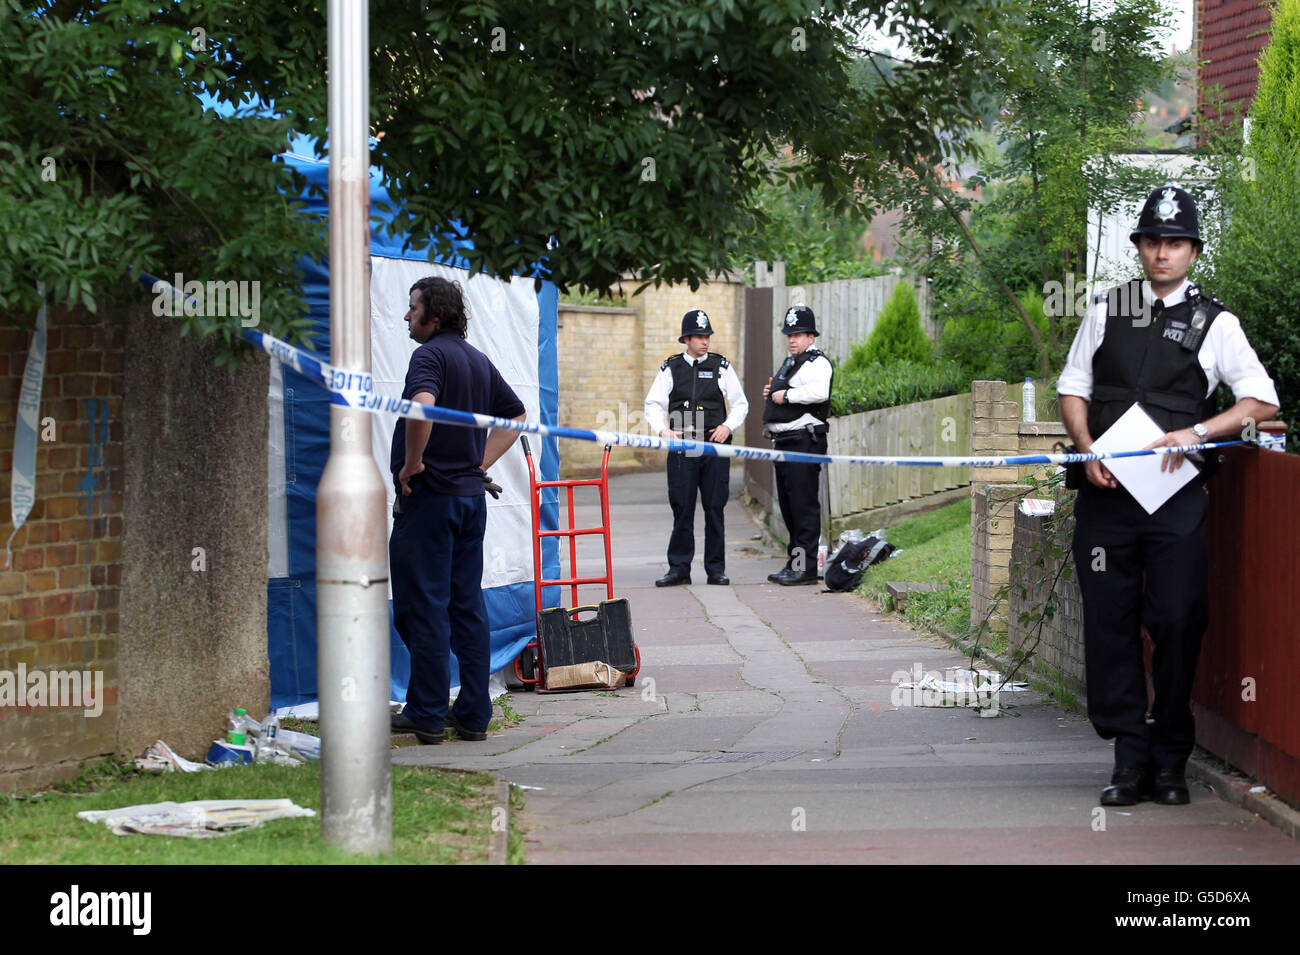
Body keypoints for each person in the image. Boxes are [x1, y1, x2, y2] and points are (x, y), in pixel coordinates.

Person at [1057, 185, 1278, 806]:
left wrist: (1197, 431)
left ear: (1193, 251)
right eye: (1152, 241)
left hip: (1177, 500)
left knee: (1179, 617)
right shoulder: (1106, 308)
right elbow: (1073, 386)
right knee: (1109, 622)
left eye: (1175, 243)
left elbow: (1261, 402)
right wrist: (1087, 444)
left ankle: (1171, 757)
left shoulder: (1217, 321)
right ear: (1140, 246)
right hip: (1106, 497)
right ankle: (1129, 758)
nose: (1162, 253)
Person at [389, 276, 526, 745]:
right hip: (469, 501)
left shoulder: (428, 356)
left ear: (435, 314)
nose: (406, 316)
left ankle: (427, 713)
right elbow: (516, 416)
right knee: (467, 606)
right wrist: (479, 463)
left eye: (413, 308)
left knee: (421, 606)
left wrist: (411, 465)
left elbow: (421, 409)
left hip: (430, 501)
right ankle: (473, 713)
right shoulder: (477, 360)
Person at [645, 308, 748, 586]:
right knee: (683, 507)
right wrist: (663, 430)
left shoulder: (721, 366)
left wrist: (728, 426)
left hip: (714, 446)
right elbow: (653, 404)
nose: (705, 341)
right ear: (686, 339)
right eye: (700, 337)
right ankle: (679, 568)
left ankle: (716, 570)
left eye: (707, 336)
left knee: (715, 507)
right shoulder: (671, 368)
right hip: (683, 447)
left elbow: (740, 403)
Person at [762, 304, 833, 586]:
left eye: (799, 334)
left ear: (811, 337)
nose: (792, 339)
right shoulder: (791, 362)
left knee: (803, 507)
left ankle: (804, 570)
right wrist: (773, 392)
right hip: (785, 443)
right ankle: (795, 564)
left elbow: (819, 392)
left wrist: (786, 396)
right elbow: (781, 391)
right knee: (790, 507)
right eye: (789, 334)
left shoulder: (818, 363)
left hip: (804, 441)